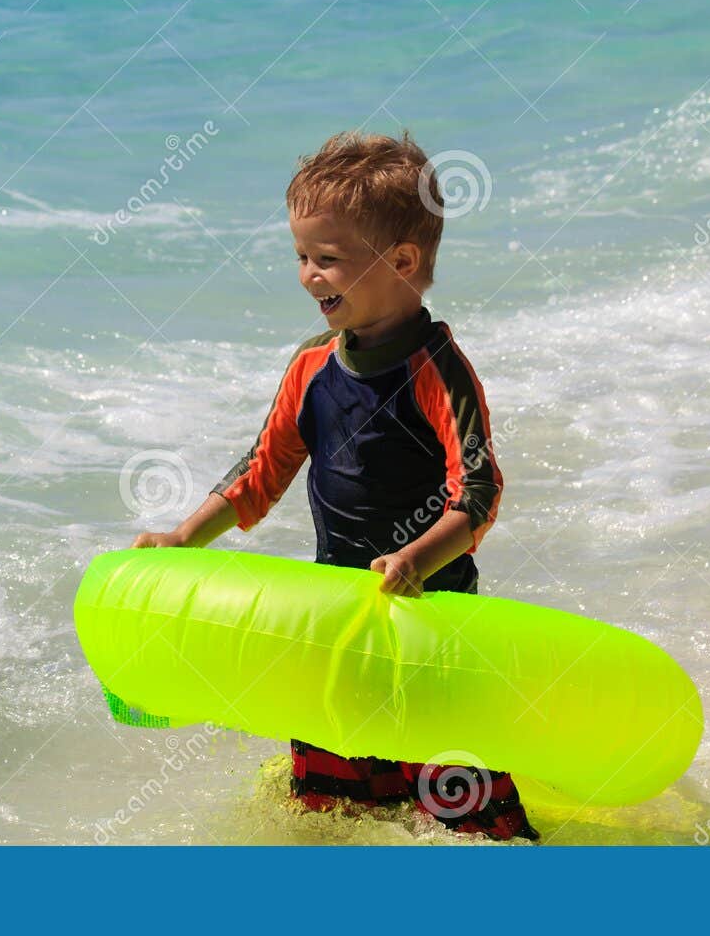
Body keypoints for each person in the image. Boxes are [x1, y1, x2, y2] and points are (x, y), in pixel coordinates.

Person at [131, 130, 538, 842]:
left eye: (328, 260)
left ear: (403, 261)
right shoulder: (313, 365)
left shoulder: (437, 370)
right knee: (335, 809)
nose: (309, 276)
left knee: (465, 812)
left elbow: (478, 493)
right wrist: (184, 538)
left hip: (430, 620)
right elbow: (262, 470)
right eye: (301, 258)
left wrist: (416, 558)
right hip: (338, 619)